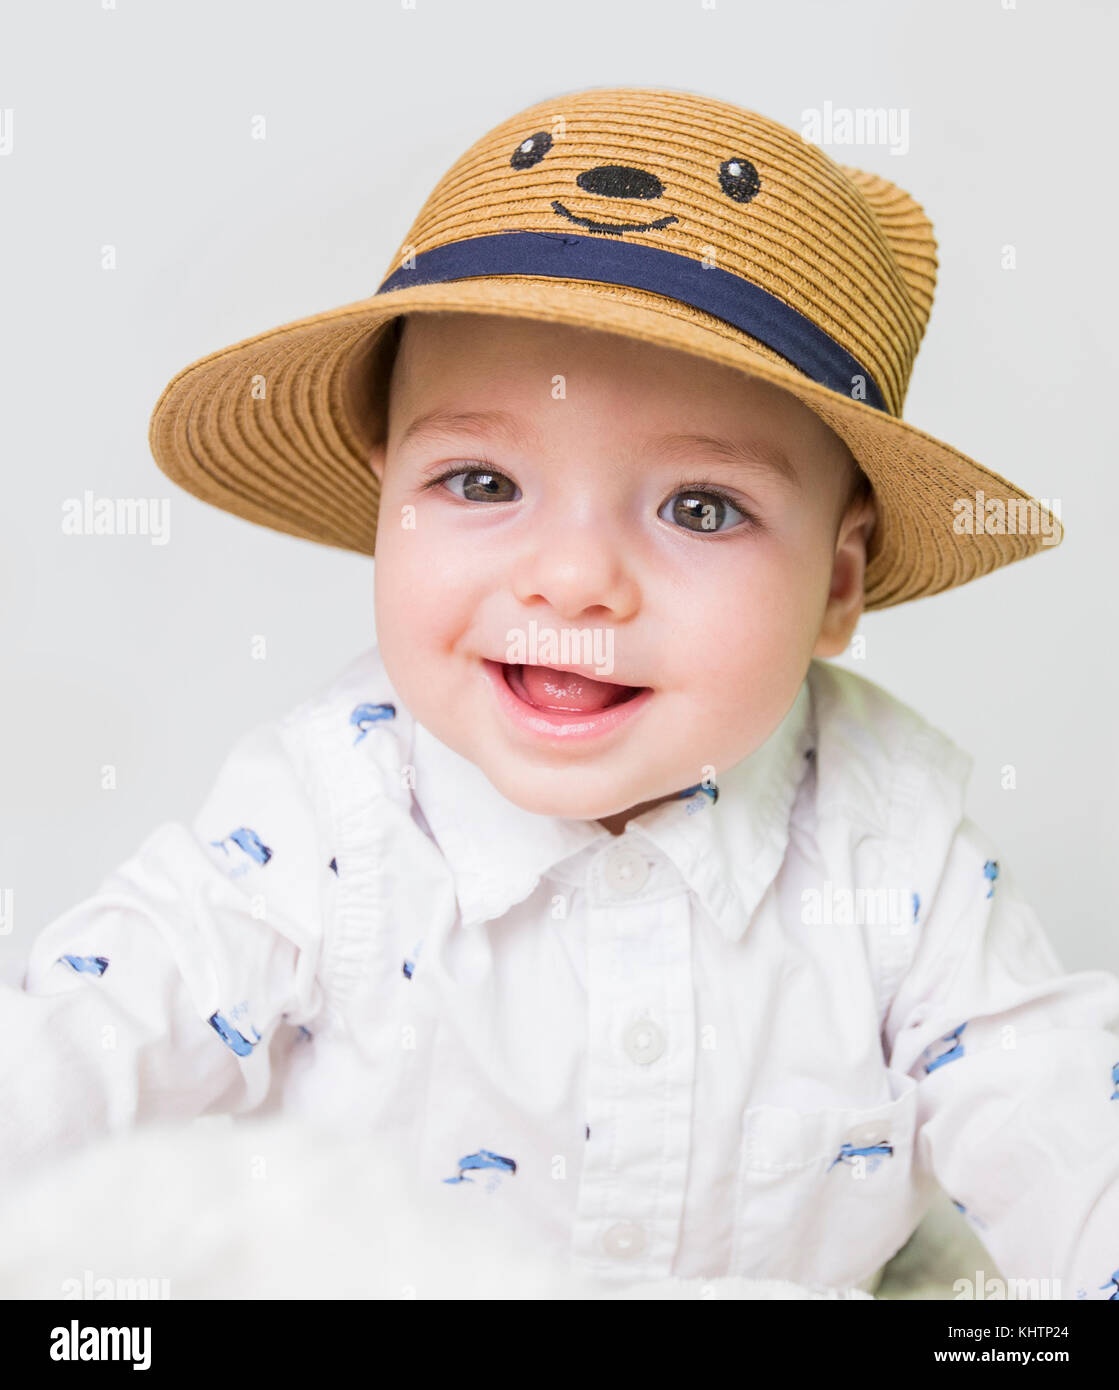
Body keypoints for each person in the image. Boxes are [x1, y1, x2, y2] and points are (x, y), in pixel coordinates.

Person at [3, 86, 1113, 1297]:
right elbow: (86, 1038)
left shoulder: (894, 841)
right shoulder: (325, 814)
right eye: (481, 481)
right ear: (386, 502)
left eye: (701, 507)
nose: (574, 579)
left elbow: (1050, 1102)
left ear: (838, 585)